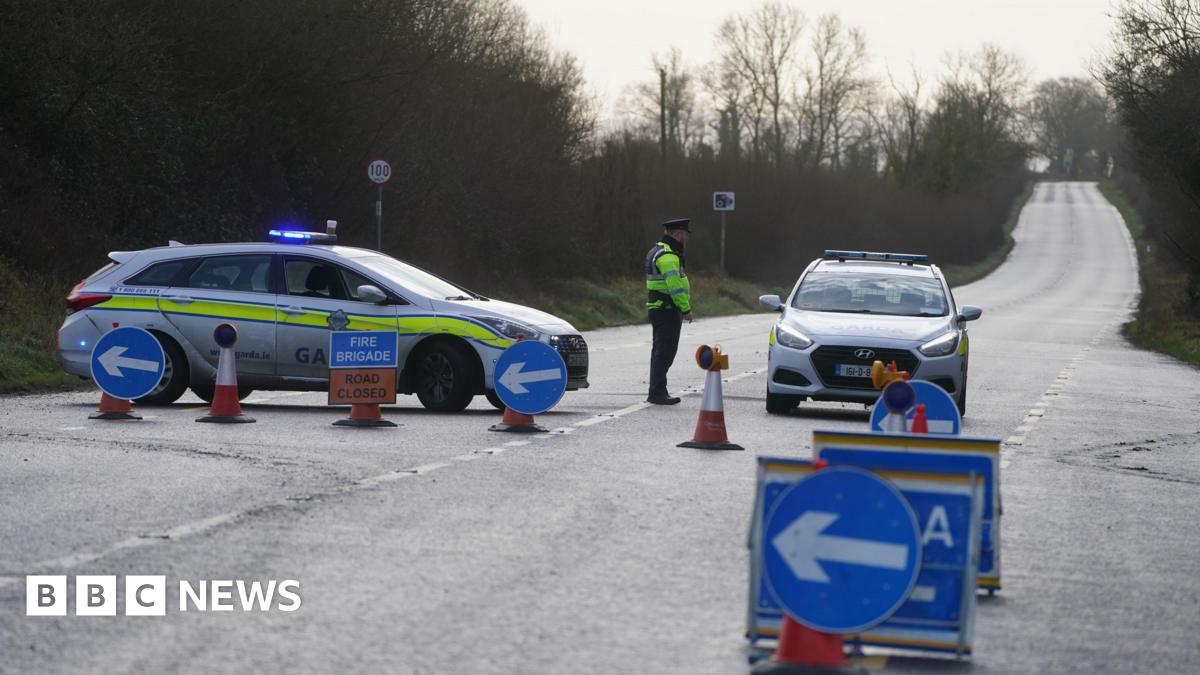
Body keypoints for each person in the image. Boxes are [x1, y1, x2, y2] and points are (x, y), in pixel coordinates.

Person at [644, 218, 693, 405]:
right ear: (678, 233)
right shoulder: (669, 256)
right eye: (685, 235)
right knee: (665, 352)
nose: (686, 239)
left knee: (659, 351)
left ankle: (657, 390)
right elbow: (675, 287)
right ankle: (657, 392)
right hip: (667, 310)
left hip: (659, 309)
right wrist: (685, 309)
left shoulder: (657, 250)